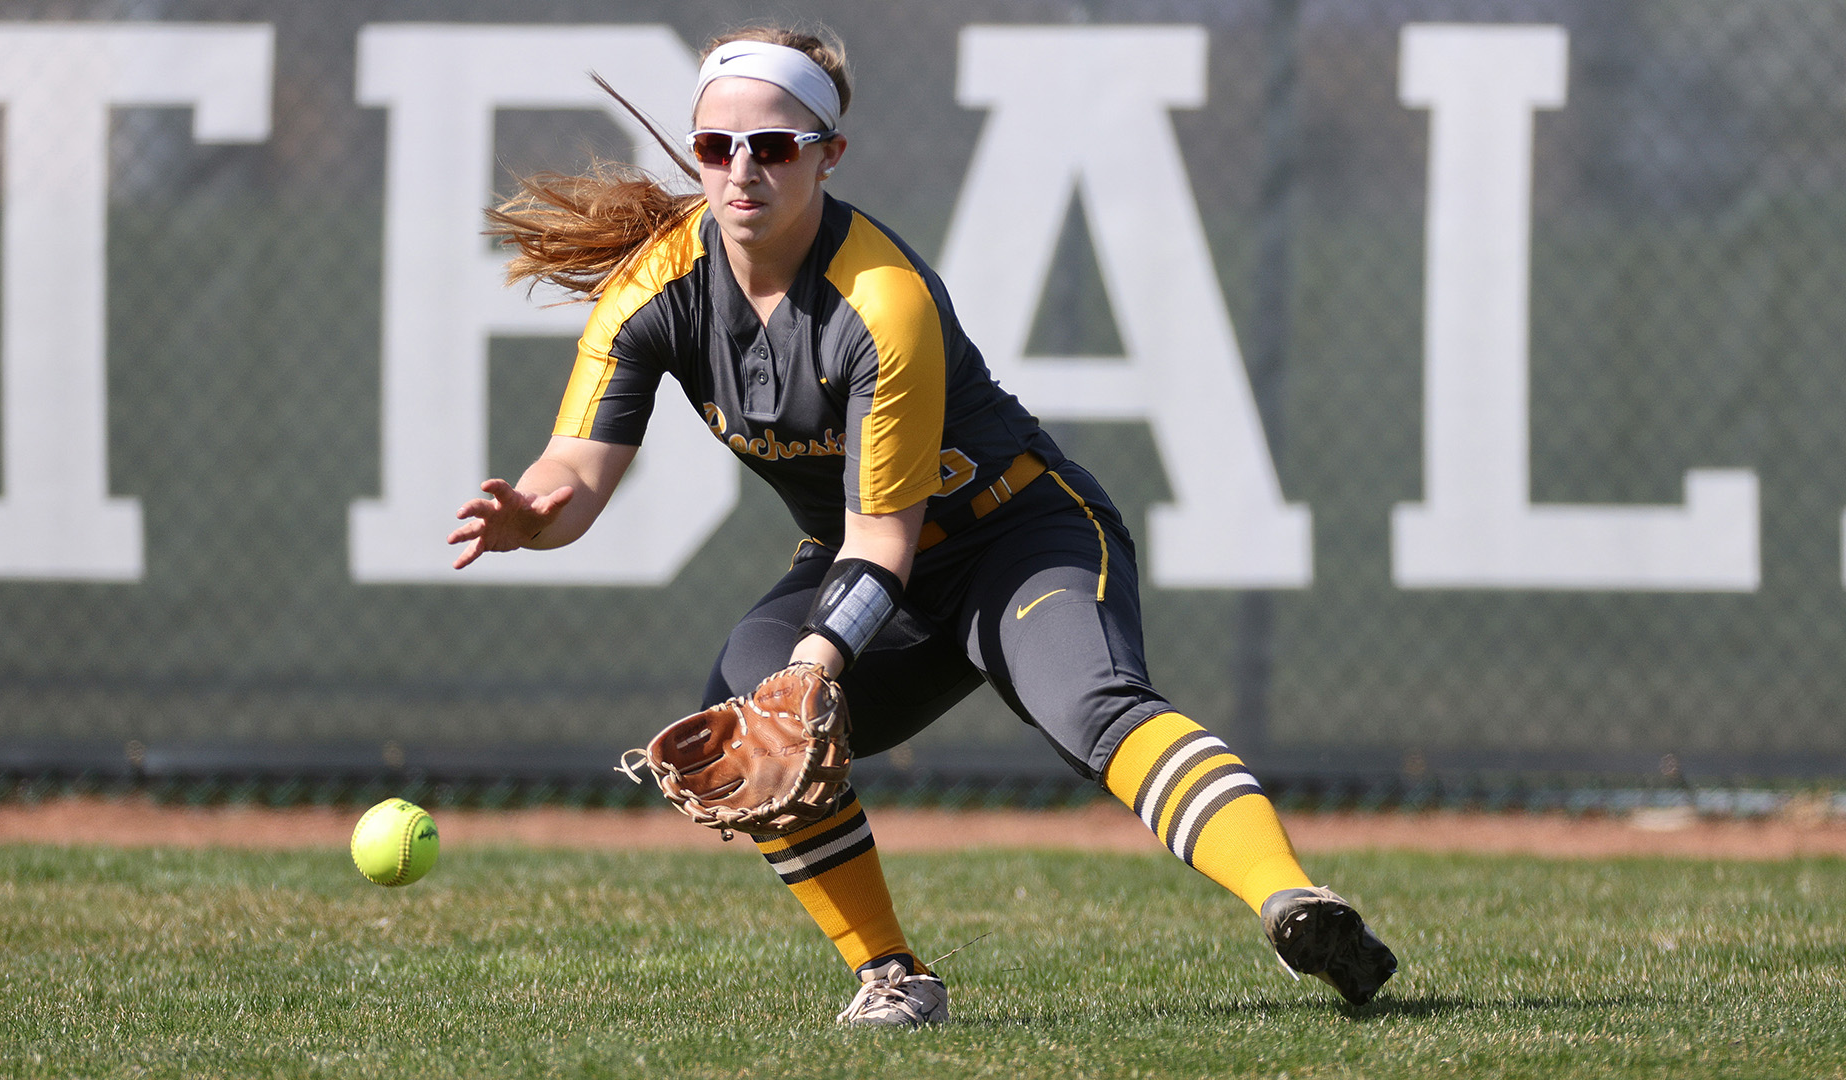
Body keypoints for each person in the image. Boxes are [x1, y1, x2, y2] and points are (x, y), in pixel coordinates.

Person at [448, 24, 1397, 1027]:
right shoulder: (657, 288)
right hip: (866, 567)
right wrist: (534, 515)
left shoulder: (880, 300)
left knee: (1093, 710)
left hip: (1017, 536)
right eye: (715, 148)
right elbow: (576, 474)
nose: (739, 170)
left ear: (828, 153)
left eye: (771, 146)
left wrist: (815, 663)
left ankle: (1294, 902)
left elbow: (883, 545)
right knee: (742, 711)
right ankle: (894, 977)